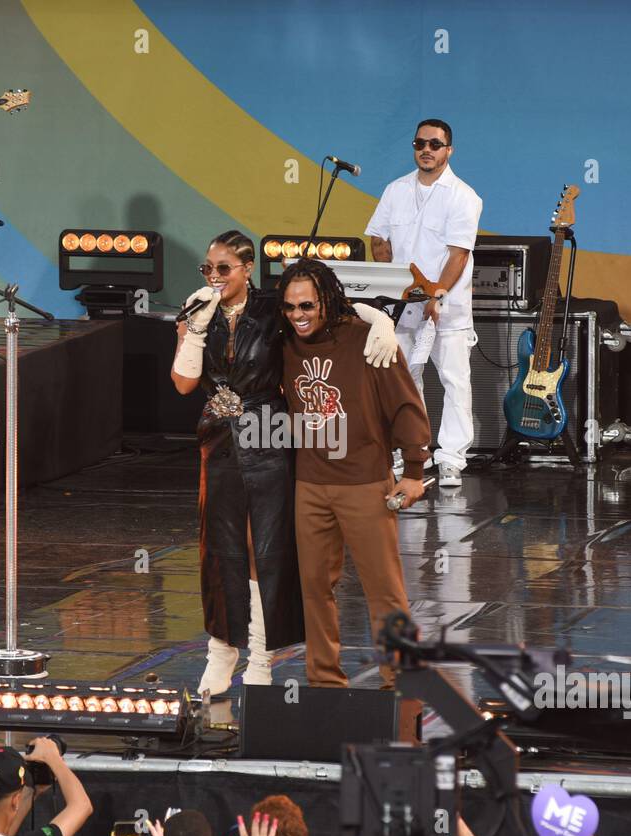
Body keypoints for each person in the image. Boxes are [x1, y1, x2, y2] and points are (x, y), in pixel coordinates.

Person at [171, 231, 398, 695]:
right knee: (220, 547)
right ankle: (221, 652)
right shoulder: (199, 312)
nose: (214, 278)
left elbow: (337, 303)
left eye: (223, 269)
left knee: (267, 549)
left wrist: (382, 323)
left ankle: (261, 655)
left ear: (247, 267)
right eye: (207, 269)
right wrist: (194, 329)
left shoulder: (274, 307)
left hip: (270, 438)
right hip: (219, 439)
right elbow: (183, 384)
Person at [278, 258, 431, 687]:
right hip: (309, 485)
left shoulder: (369, 340)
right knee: (313, 591)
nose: (298, 316)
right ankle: (324, 683)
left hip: (365, 483)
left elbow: (405, 404)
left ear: (327, 300)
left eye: (307, 306)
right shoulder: (284, 342)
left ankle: (400, 681)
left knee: (384, 591)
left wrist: (414, 471)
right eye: (290, 308)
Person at [366, 118, 483, 486]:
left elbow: (458, 255)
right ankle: (414, 450)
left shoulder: (463, 195)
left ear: (449, 150)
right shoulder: (395, 190)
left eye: (435, 144)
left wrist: (438, 292)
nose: (426, 150)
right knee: (403, 379)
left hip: (445, 307)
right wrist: (387, 278)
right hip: (402, 308)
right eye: (420, 144)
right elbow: (378, 239)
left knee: (453, 381)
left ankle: (451, 458)